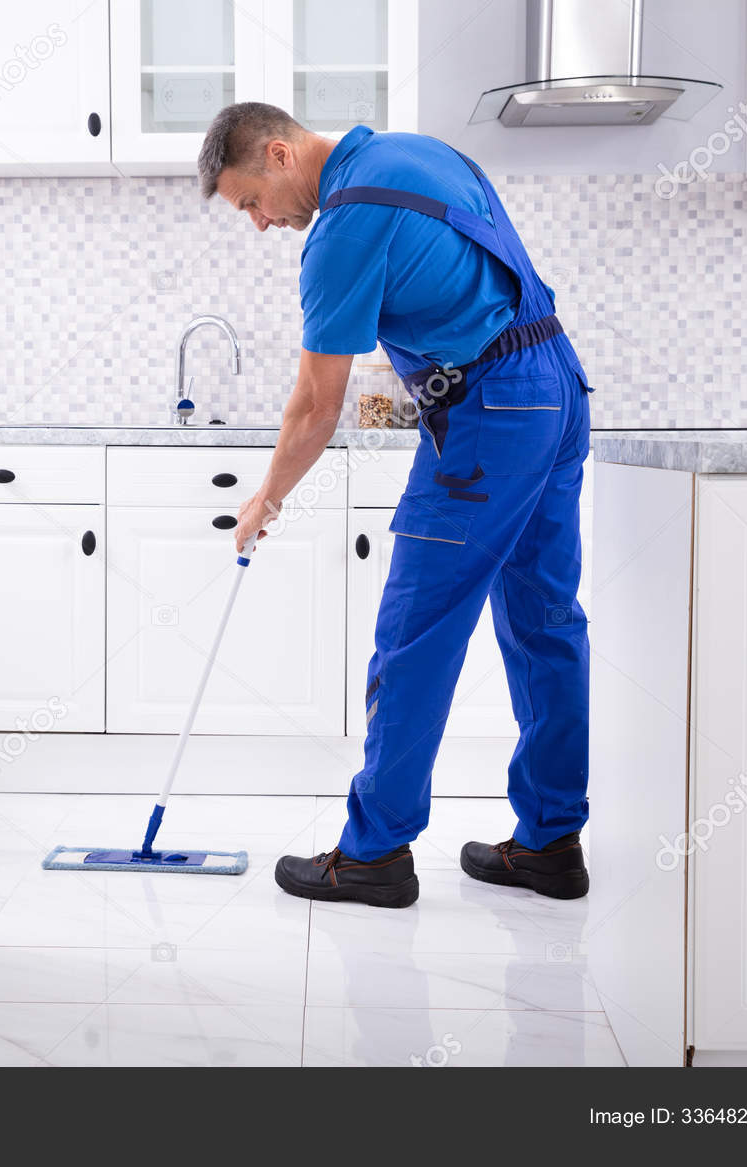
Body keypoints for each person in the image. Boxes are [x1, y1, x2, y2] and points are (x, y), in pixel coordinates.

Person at [199, 103, 592, 909]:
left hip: (492, 414)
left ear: (278, 153)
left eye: (250, 202)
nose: (260, 224)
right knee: (546, 618)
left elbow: (316, 404)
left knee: (416, 630)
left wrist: (266, 496)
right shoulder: (420, 150)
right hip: (557, 387)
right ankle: (551, 842)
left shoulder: (342, 229)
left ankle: (375, 852)